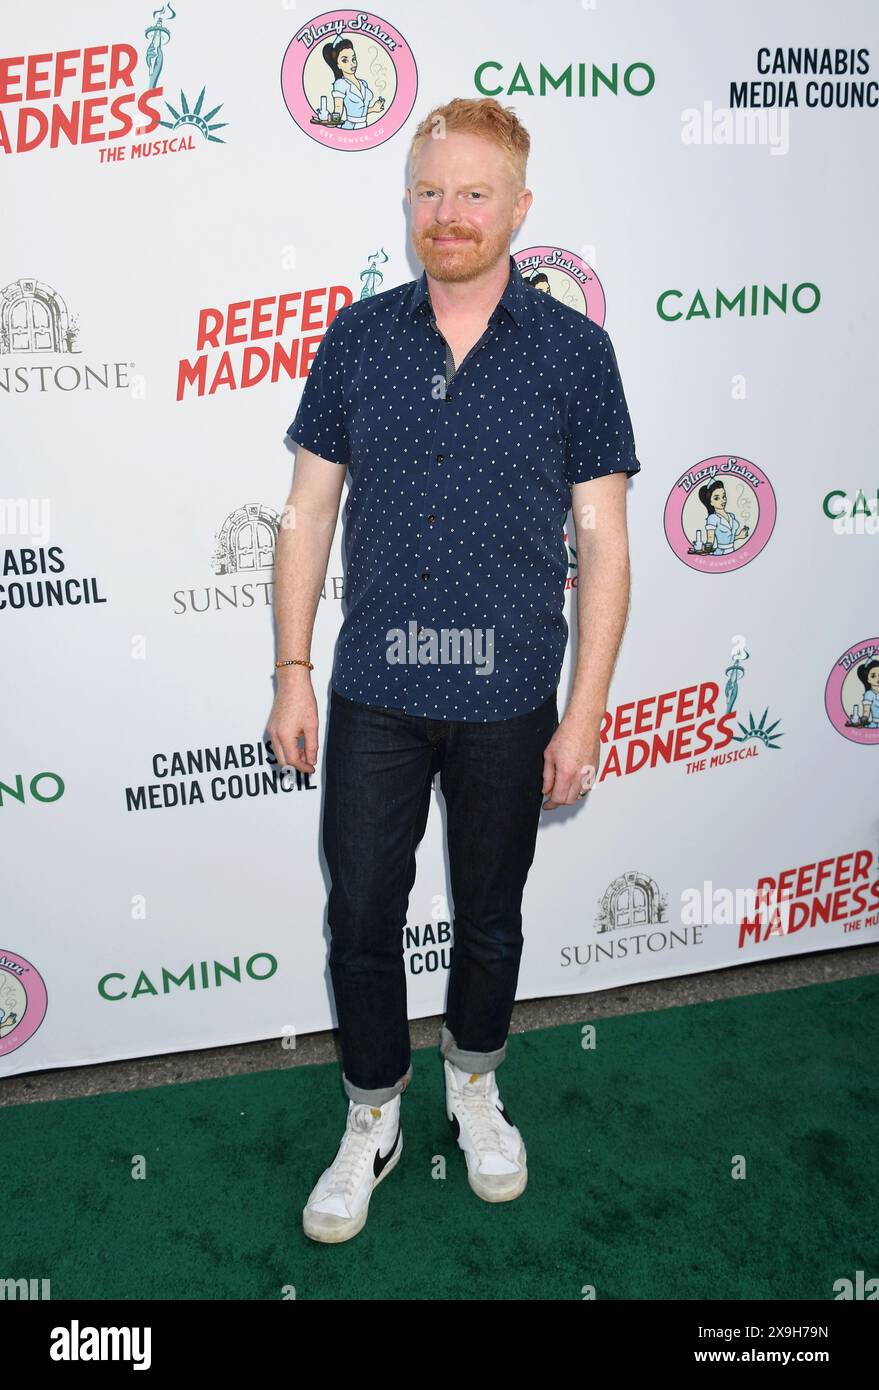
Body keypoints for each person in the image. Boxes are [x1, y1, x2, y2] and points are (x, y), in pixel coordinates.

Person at [268, 96, 642, 1244]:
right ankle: (372, 1111)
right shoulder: (360, 336)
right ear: (408, 202)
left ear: (518, 208)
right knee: (363, 914)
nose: (450, 213)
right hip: (375, 689)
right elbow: (307, 511)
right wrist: (291, 668)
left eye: (474, 193)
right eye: (431, 191)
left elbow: (606, 541)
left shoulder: (576, 351)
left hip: (509, 696)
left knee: (490, 917)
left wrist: (583, 716)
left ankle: (474, 1084)